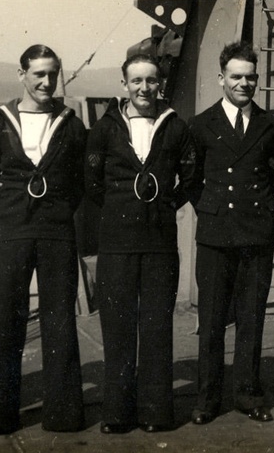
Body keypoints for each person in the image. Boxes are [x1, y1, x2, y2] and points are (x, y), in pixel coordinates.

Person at [0, 45, 87, 435]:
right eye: (37, 74)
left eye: (52, 74)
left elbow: (78, 184)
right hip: (12, 232)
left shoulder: (70, 124)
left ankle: (64, 415)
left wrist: (53, 209)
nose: (45, 82)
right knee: (7, 320)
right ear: (21, 74)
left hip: (56, 232)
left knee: (58, 321)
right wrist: (14, 210)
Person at [84, 54, 197, 434]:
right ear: (124, 85)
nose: (144, 89)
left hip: (160, 245)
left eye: (151, 81)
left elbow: (191, 180)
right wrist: (122, 208)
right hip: (116, 245)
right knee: (117, 328)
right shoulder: (104, 129)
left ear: (159, 84)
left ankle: (155, 412)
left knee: (155, 328)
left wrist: (164, 205)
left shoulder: (176, 128)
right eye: (136, 81)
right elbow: (93, 183)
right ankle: (116, 413)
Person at [188, 41, 274, 425]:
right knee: (211, 321)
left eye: (250, 77)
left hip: (256, 233)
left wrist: (255, 205)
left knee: (251, 319)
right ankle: (207, 398)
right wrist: (212, 208)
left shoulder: (269, 125)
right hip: (215, 235)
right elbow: (193, 180)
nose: (243, 83)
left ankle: (247, 394)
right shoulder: (200, 124)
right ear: (221, 79)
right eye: (236, 76)